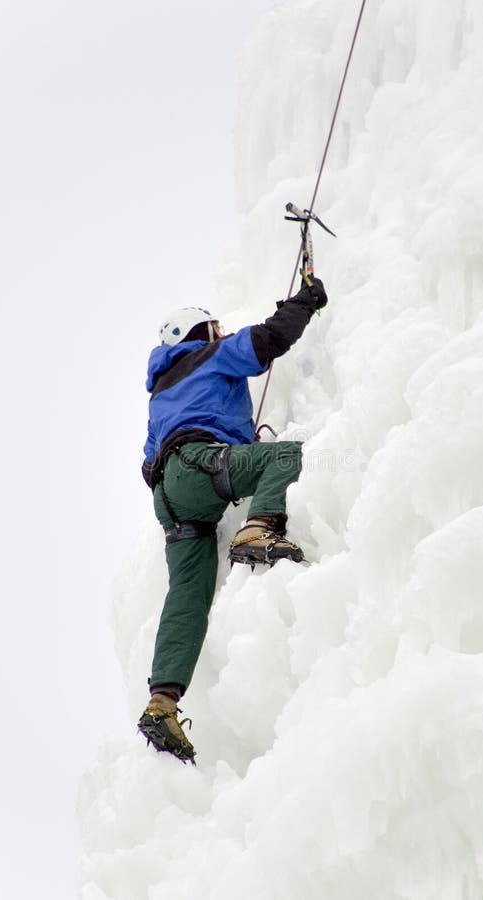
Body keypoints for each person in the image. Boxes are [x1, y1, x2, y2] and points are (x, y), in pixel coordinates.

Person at [138, 276, 328, 762]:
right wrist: (303, 303)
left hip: (170, 496)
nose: (220, 333)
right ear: (196, 334)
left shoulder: (160, 394)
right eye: (213, 327)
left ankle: (162, 702)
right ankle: (258, 527)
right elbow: (267, 340)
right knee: (282, 457)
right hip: (200, 468)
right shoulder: (212, 355)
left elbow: (146, 461)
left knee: (187, 598)